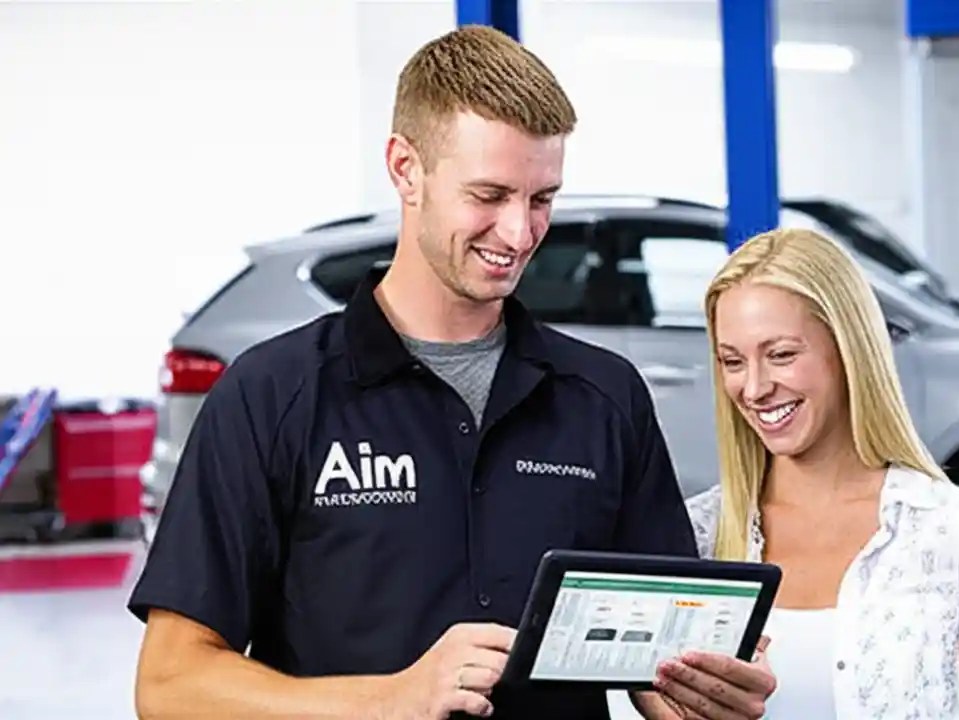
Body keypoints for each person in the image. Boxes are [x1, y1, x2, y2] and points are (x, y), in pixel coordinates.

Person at [128, 26, 774, 720]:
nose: (521, 234)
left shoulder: (604, 398)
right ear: (406, 168)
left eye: (542, 198)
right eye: (489, 194)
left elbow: (656, 668)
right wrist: (391, 699)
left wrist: (700, 693)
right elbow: (170, 686)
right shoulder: (271, 396)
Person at [685, 227, 959, 719]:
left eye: (782, 354)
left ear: (849, 348)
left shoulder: (952, 532)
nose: (755, 388)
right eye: (732, 361)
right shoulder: (698, 537)